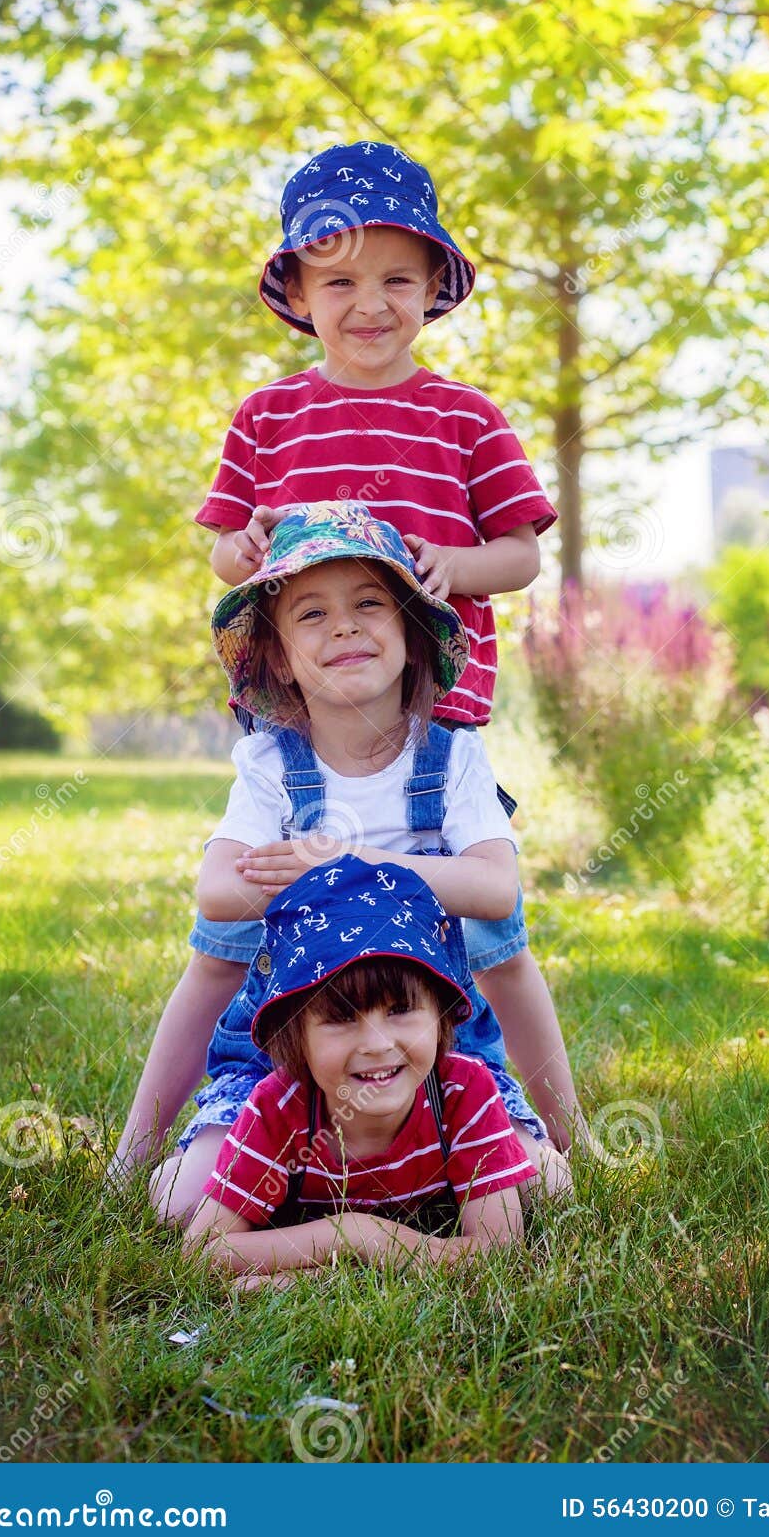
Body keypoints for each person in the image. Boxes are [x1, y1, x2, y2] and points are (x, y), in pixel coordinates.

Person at [110, 140, 582, 1186]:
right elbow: (230, 545)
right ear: (297, 292)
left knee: (493, 936)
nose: (369, 303)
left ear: (433, 290)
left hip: (433, 706)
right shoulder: (268, 416)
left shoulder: (464, 416)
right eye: (340, 281)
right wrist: (237, 552)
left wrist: (450, 561)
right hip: (303, 722)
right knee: (228, 939)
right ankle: (153, 1140)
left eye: (395, 280)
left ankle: (558, 1128)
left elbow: (519, 551)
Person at [142, 502, 572, 1223]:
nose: (343, 625)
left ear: (409, 630)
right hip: (287, 1063)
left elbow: (495, 891)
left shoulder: (453, 759)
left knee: (548, 1192)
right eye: (310, 614)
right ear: (278, 655)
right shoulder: (269, 767)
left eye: (369, 603)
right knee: (175, 1204)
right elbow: (217, 894)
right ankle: (345, 1171)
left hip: (441, 1057)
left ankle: (383, 1164)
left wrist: (347, 860)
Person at [184, 857, 538, 1284]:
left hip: (437, 1168)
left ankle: (543, 1152)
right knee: (175, 1199)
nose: (377, 1044)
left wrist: (364, 1244)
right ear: (295, 1036)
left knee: (552, 1184)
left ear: (441, 1013)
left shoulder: (465, 1092)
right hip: (313, 1183)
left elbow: (498, 1253)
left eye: (402, 1010)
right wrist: (346, 1234)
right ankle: (182, 1164)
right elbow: (203, 1251)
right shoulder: (277, 1109)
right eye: (342, 1017)